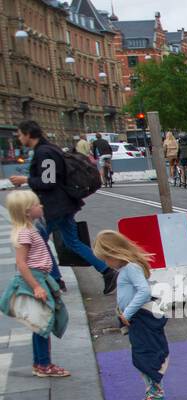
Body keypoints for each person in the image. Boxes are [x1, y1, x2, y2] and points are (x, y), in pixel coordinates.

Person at [7, 121, 117, 294]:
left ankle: (56, 280)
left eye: (20, 134)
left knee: (39, 241)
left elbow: (48, 181)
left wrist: (25, 180)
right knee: (71, 242)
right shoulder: (47, 149)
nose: (20, 138)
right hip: (62, 204)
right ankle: (107, 271)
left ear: (28, 134)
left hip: (55, 206)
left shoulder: (45, 152)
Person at [92, 230, 168, 400]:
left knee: (145, 357)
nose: (106, 263)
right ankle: (152, 396)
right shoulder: (127, 269)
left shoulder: (130, 269)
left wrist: (128, 312)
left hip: (140, 319)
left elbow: (143, 292)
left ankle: (157, 399)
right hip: (136, 319)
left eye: (106, 258)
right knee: (142, 356)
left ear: (115, 253)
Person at [5, 189, 70, 377]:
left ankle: (39, 363)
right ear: (26, 211)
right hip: (35, 279)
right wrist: (36, 286)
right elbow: (21, 263)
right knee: (43, 324)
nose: (41, 206)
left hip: (40, 277)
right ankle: (44, 365)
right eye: (36, 204)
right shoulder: (25, 233)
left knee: (39, 324)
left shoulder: (32, 228)